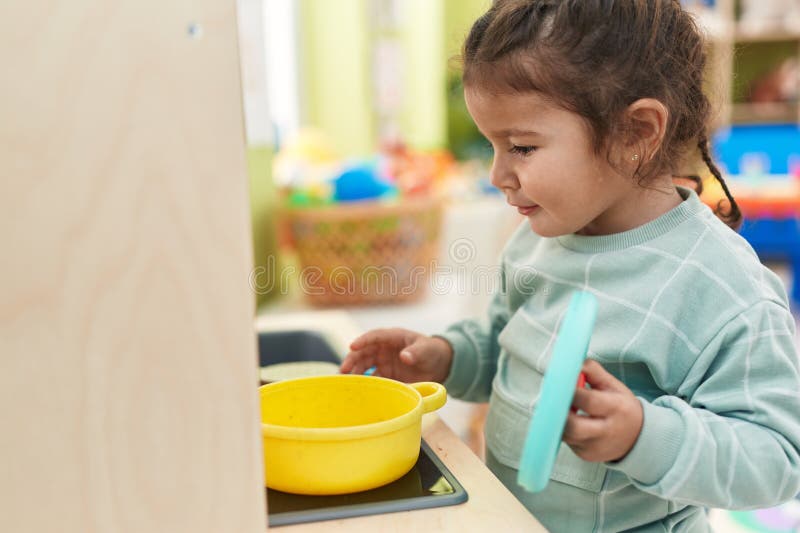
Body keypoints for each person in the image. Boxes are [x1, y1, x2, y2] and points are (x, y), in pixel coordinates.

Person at [340, 1, 800, 530]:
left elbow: (776, 460)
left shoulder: (720, 286)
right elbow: (501, 348)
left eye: (521, 147)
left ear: (636, 133)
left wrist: (643, 436)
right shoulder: (538, 239)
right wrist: (444, 358)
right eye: (494, 147)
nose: (497, 174)